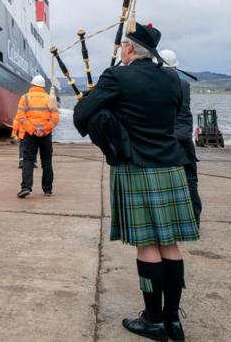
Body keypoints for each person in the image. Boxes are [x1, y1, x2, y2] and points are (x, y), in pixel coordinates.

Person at [73, 22, 199, 342]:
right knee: (170, 244)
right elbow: (169, 119)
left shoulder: (117, 76)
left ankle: (152, 320)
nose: (119, 50)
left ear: (129, 49)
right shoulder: (172, 79)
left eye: (122, 46)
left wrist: (111, 133)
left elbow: (82, 114)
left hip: (136, 167)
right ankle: (173, 320)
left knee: (147, 247)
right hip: (171, 166)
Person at [160, 49, 202, 227]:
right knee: (190, 179)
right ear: (176, 66)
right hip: (184, 137)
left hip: (167, 137)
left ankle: (168, 219)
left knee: (164, 181)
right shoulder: (185, 84)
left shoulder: (157, 84)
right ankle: (194, 218)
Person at [15, 75, 60, 198]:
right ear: (43, 87)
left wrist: (33, 129)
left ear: (32, 85)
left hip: (30, 135)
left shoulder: (25, 98)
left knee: (28, 160)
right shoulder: (50, 98)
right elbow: (55, 118)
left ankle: (26, 187)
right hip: (45, 135)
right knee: (46, 161)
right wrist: (44, 130)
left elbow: (20, 117)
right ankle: (48, 189)